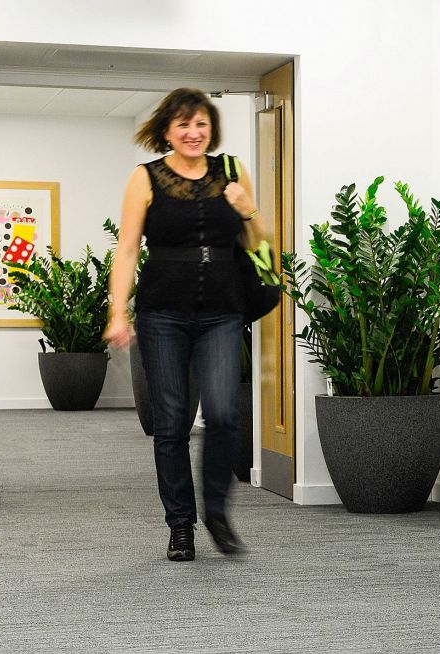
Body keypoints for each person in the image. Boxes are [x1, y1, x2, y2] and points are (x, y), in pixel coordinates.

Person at [104, 88, 265, 561]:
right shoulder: (145, 177)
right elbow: (128, 248)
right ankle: (181, 525)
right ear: (166, 131)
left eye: (201, 124)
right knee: (171, 423)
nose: (194, 133)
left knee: (224, 414)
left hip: (221, 311)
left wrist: (246, 207)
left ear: (211, 127)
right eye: (183, 125)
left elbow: (260, 241)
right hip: (162, 314)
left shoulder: (232, 173)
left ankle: (216, 510)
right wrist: (118, 311)